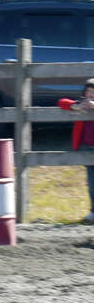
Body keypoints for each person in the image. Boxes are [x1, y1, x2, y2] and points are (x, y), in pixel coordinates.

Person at [58, 78, 94, 224]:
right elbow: (61, 102)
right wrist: (75, 106)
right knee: (92, 182)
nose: (91, 95)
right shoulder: (82, 105)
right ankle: (93, 212)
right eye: (89, 92)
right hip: (87, 148)